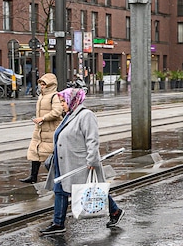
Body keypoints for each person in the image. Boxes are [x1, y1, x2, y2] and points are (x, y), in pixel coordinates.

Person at [39, 87, 124, 235]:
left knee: (92, 190)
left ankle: (115, 211)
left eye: (63, 101)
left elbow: (92, 140)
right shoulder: (70, 114)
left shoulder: (86, 115)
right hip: (64, 161)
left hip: (79, 162)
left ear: (72, 100)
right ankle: (58, 223)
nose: (62, 105)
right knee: (60, 190)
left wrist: (92, 161)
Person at [22, 73, 64, 183]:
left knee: (50, 154)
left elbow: (57, 111)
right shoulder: (41, 96)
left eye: (44, 84)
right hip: (40, 129)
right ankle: (33, 176)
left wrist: (43, 118)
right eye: (41, 83)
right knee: (35, 151)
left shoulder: (55, 96)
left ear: (50, 84)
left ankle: (56, 178)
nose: (42, 86)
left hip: (50, 129)